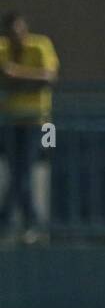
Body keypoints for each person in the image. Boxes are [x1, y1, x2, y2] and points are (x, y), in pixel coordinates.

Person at [0, 12, 58, 244]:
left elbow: (48, 78)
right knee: (17, 171)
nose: (17, 38)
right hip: (10, 120)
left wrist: (16, 75)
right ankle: (31, 224)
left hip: (40, 123)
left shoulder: (41, 45)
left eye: (20, 33)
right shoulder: (2, 49)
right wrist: (23, 81)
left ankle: (10, 221)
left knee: (26, 169)